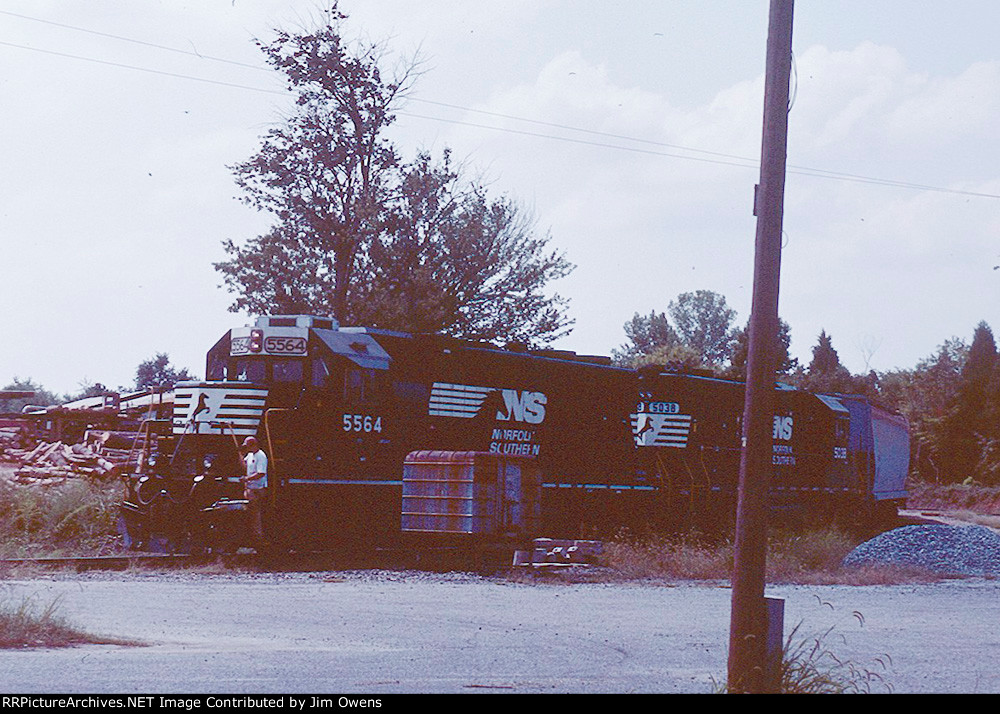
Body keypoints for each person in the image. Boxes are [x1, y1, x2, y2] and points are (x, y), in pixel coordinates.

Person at [241, 435, 268, 546]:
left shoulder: (261, 456)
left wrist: (247, 478)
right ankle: (252, 536)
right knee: (250, 514)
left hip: (257, 489)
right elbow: (244, 466)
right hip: (250, 489)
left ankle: (258, 539)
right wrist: (240, 455)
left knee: (255, 515)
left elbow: (261, 473)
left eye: (247, 446)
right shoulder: (250, 455)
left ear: (253, 445)